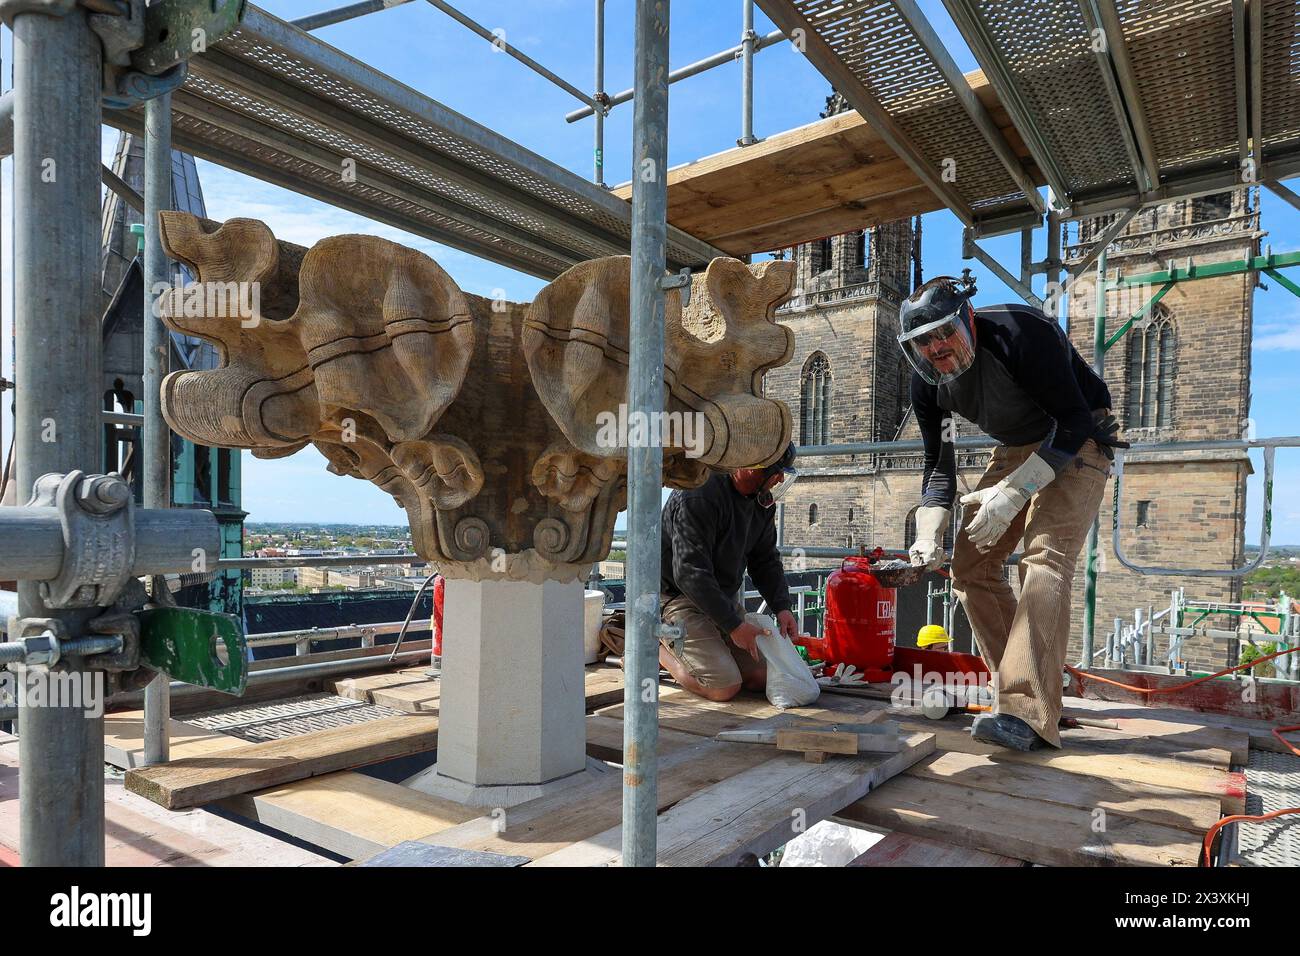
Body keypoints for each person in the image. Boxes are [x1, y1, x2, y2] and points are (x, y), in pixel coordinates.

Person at [900, 275, 1126, 750]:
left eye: (945, 333)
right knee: (969, 568)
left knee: (1044, 560)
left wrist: (1012, 494)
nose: (938, 347)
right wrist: (926, 538)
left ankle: (1028, 710)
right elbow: (938, 468)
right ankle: (1020, 692)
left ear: (967, 319)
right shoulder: (928, 385)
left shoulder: (1022, 334)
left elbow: (1075, 420)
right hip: (1017, 448)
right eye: (924, 341)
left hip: (1078, 439)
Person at [659, 444, 800, 701]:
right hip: (677, 598)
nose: (780, 478)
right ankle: (654, 648)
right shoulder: (699, 494)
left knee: (764, 677)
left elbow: (765, 559)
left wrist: (782, 607)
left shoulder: (762, 501)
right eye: (777, 471)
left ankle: (698, 646)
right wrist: (734, 626)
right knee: (723, 687)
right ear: (748, 468)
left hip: (718, 598)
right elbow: (689, 572)